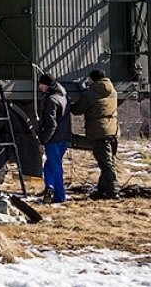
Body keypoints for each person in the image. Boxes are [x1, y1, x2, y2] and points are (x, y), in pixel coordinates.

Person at [72, 68, 120, 200]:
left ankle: (113, 191)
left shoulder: (90, 93)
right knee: (109, 162)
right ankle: (102, 190)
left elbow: (77, 110)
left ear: (92, 79)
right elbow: (98, 100)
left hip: (99, 132)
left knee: (106, 164)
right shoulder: (112, 90)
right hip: (113, 130)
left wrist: (82, 93)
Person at [35, 73, 71, 203]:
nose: (40, 87)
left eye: (41, 84)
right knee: (49, 165)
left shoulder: (51, 100)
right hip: (64, 138)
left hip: (54, 139)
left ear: (48, 85)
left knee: (55, 166)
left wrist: (43, 141)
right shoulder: (63, 97)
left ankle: (60, 196)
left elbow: (51, 124)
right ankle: (49, 187)